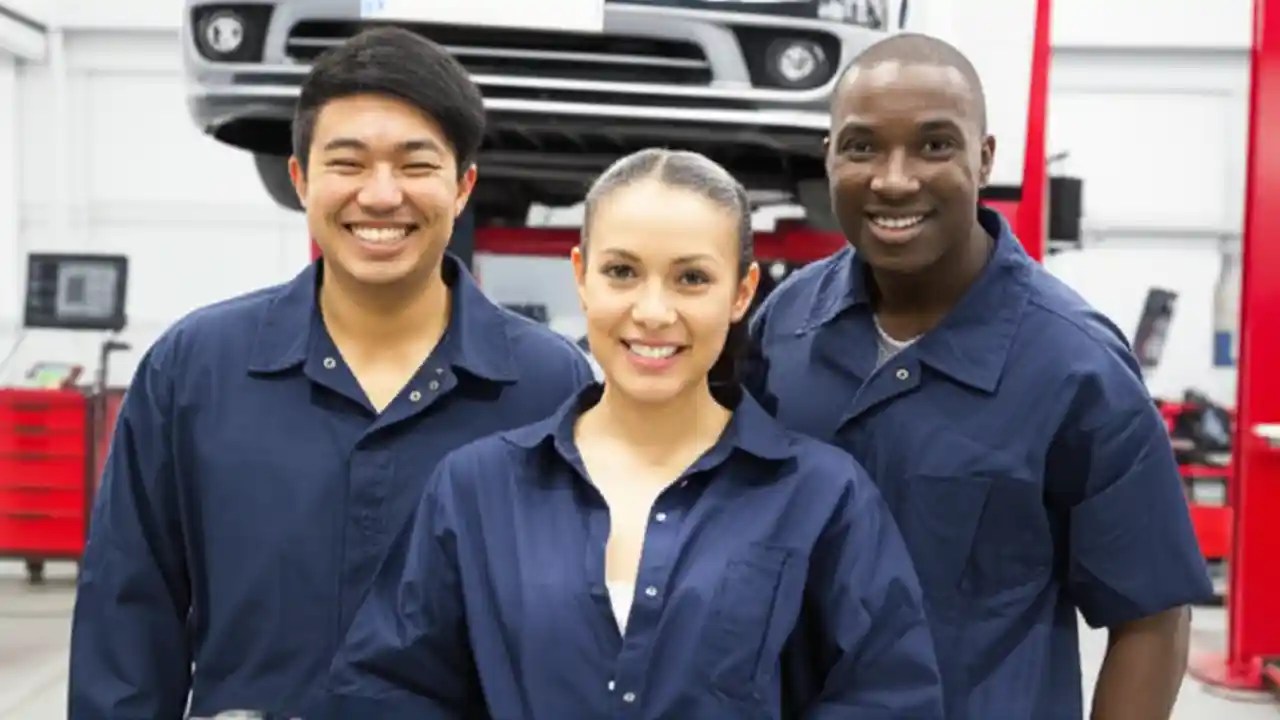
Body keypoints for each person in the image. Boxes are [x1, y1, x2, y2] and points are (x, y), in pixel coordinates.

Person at [67, 27, 594, 720]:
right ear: (300, 179)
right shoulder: (196, 369)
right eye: (347, 163)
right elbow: (127, 620)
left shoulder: (547, 386)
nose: (380, 196)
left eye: (415, 165)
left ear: (463, 185)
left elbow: (578, 630)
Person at [323, 148, 946, 719]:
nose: (652, 311)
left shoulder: (821, 497)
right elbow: (389, 692)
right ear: (582, 275)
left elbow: (886, 699)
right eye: (622, 271)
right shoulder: (476, 490)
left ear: (742, 292)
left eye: (691, 278)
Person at [744, 33, 1215, 720]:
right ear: (829, 155)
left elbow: (1152, 617)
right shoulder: (784, 327)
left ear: (984, 157)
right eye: (863, 146)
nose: (894, 179)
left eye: (935, 145)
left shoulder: (1074, 365)